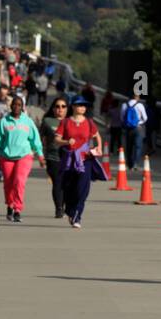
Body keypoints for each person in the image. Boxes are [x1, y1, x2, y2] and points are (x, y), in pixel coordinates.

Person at [0, 94, 45, 222]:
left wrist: (41, 155)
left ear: (23, 107)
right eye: (14, 104)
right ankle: (10, 205)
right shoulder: (4, 121)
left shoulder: (28, 122)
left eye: (19, 105)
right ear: (10, 106)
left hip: (24, 156)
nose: (16, 107)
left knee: (19, 181)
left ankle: (17, 209)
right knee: (8, 183)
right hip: (7, 156)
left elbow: (35, 140)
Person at [55, 97, 103, 228]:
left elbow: (97, 135)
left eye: (84, 105)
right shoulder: (65, 122)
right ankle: (70, 210)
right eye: (79, 105)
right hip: (69, 160)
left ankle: (77, 215)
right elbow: (57, 139)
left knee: (83, 188)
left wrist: (99, 147)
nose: (82, 107)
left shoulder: (89, 122)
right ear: (73, 107)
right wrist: (66, 142)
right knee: (69, 188)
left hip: (85, 159)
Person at [41, 97, 69, 217]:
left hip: (69, 158)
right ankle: (59, 208)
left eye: (63, 106)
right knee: (57, 182)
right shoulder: (47, 121)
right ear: (53, 109)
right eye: (57, 106)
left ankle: (65, 205)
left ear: (67, 109)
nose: (60, 109)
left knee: (67, 184)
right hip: (53, 157)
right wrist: (41, 154)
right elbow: (40, 139)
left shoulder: (71, 121)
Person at [120, 93, 148, 171]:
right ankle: (136, 163)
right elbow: (145, 118)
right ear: (137, 97)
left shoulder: (124, 105)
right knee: (138, 146)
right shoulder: (140, 105)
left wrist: (127, 124)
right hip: (138, 128)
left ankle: (130, 164)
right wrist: (138, 123)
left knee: (129, 146)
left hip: (128, 128)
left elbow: (122, 118)